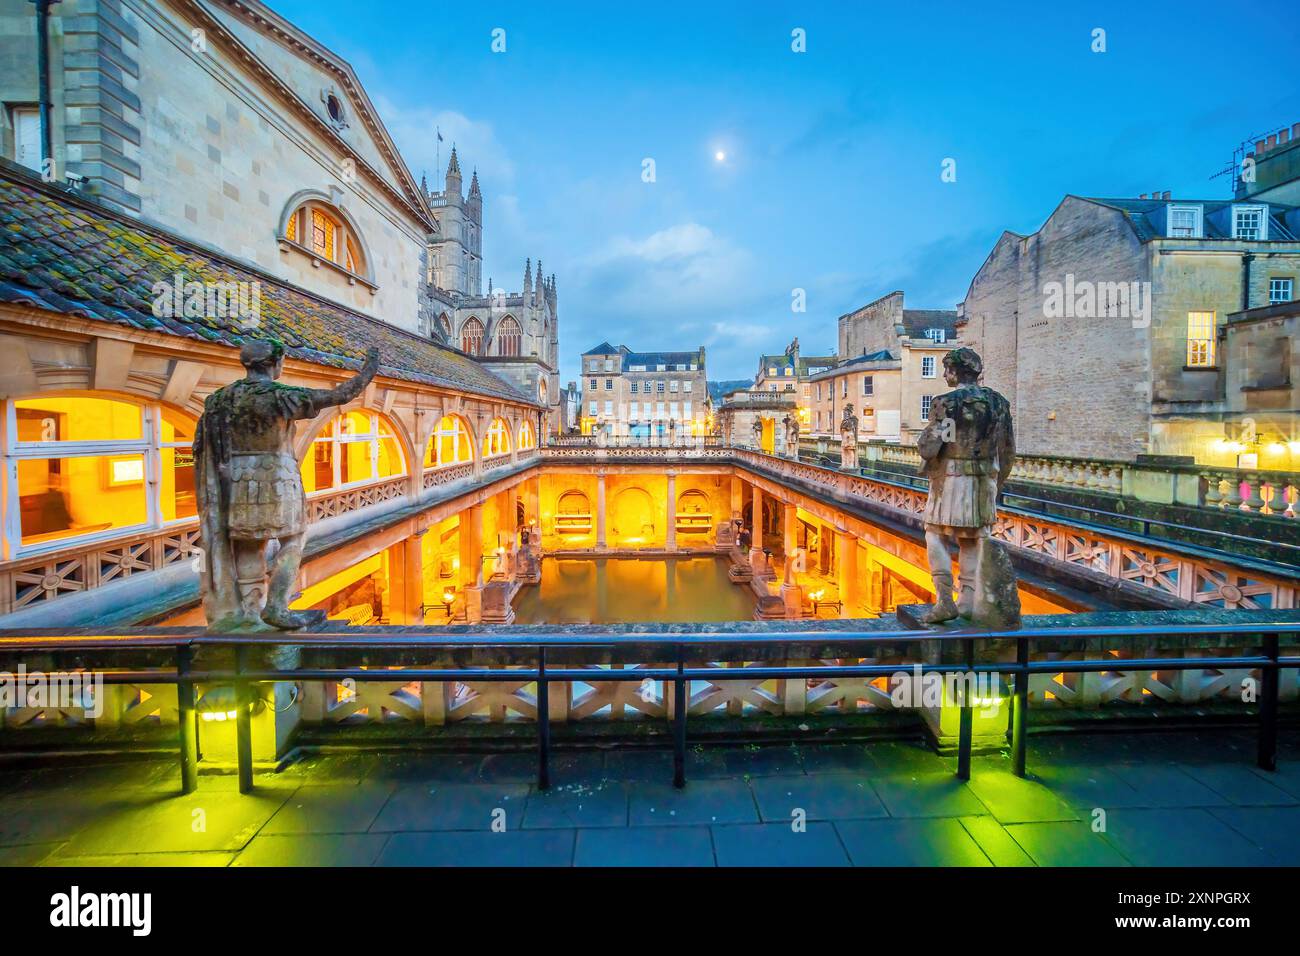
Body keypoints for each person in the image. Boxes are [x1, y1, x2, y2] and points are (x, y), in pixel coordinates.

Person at [194, 340, 379, 630]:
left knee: (247, 546)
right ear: (275, 364)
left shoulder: (219, 400)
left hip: (237, 483)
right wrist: (370, 369)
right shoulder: (280, 396)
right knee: (293, 541)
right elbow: (341, 394)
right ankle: (277, 606)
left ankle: (249, 611)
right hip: (277, 479)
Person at [916, 347, 1019, 626]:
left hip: (951, 477)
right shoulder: (999, 403)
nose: (944, 374)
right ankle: (967, 602)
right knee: (972, 538)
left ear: (953, 371)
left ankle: (944, 600)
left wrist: (924, 439)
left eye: (946, 368)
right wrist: (996, 483)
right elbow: (1007, 451)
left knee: (934, 533)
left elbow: (931, 447)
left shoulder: (948, 404)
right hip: (985, 479)